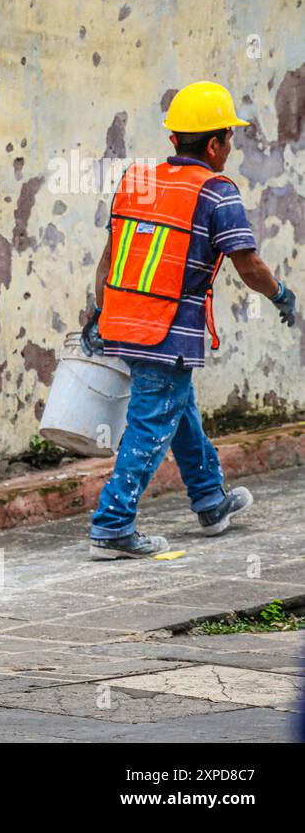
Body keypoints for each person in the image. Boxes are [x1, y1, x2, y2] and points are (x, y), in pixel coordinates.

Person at [81, 81, 297, 559]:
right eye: (230, 140)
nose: (230, 149)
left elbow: (109, 258)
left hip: (123, 323)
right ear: (216, 144)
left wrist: (98, 312)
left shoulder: (137, 180)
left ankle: (210, 500)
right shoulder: (217, 193)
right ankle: (112, 525)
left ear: (175, 139)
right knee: (150, 423)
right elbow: (249, 266)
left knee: (179, 414)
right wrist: (282, 295)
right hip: (167, 333)